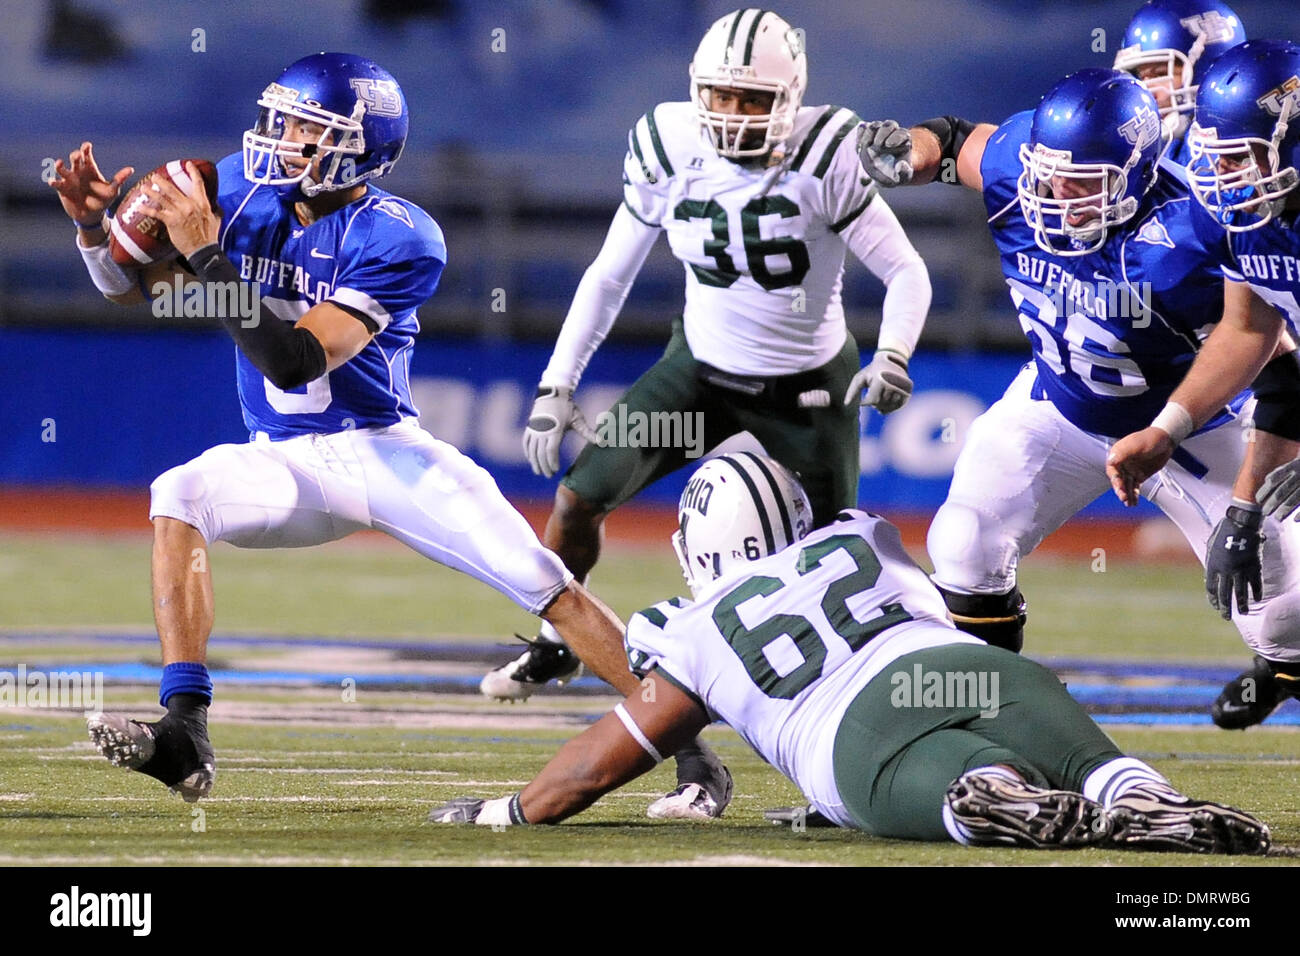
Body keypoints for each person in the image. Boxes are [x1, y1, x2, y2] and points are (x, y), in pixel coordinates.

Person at [49, 52, 689, 808]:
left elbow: (292, 361)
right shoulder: (241, 187)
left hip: (384, 452)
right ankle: (185, 732)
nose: (278, 138)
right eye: (280, 119)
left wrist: (206, 254)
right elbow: (137, 290)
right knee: (178, 493)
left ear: (358, 148)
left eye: (303, 128)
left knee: (546, 586)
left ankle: (689, 747)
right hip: (284, 461)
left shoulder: (401, 237)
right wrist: (98, 232)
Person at [429, 453, 1269, 854]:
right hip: (963, 666)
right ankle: (1139, 792)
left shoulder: (690, 629)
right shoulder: (862, 536)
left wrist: (511, 809)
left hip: (852, 734)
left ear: (704, 546)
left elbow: (593, 767)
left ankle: (985, 797)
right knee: (1087, 759)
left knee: (951, 782)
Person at [481, 8, 932, 712]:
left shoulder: (830, 151)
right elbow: (609, 274)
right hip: (697, 374)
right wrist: (556, 383)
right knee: (575, 500)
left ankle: (832, 721)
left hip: (808, 389)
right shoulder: (667, 143)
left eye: (752, 99)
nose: (733, 114)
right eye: (720, 96)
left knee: (833, 567)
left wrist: (894, 354)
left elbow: (907, 271)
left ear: (790, 97)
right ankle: (559, 640)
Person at [856, 67, 1300, 687]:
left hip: (1194, 430)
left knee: (1287, 617)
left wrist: (1211, 462)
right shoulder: (1019, 164)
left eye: (1081, 181)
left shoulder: (1194, 231)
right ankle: (987, 713)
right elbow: (954, 140)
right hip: (1058, 406)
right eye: (1047, 173)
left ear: (1138, 172)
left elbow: (1269, 349)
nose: (1055, 193)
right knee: (964, 541)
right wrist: (911, 148)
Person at [1107, 39, 1300, 728]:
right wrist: (1172, 434)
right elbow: (1253, 337)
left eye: (1236, 158)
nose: (1221, 181)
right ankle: (1283, 667)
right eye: (1212, 160)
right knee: (1287, 599)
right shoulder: (1257, 221)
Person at [1113, 0, 1246, 168]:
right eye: (1141, 77)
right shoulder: (1165, 148)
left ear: (1209, 69)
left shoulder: (1229, 145)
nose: (1147, 93)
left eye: (1161, 74)